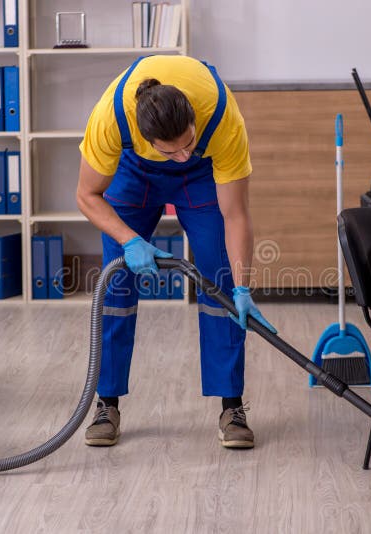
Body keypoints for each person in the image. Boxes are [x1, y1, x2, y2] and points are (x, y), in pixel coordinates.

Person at [76, 55, 275, 449]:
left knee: (219, 281)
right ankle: (107, 404)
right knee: (116, 287)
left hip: (203, 176)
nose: (181, 155)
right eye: (171, 151)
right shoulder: (111, 118)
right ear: (148, 137)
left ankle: (231, 407)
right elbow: (86, 195)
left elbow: (236, 215)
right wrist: (129, 239)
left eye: (187, 143)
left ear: (193, 121)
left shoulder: (222, 118)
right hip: (134, 174)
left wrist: (242, 289)